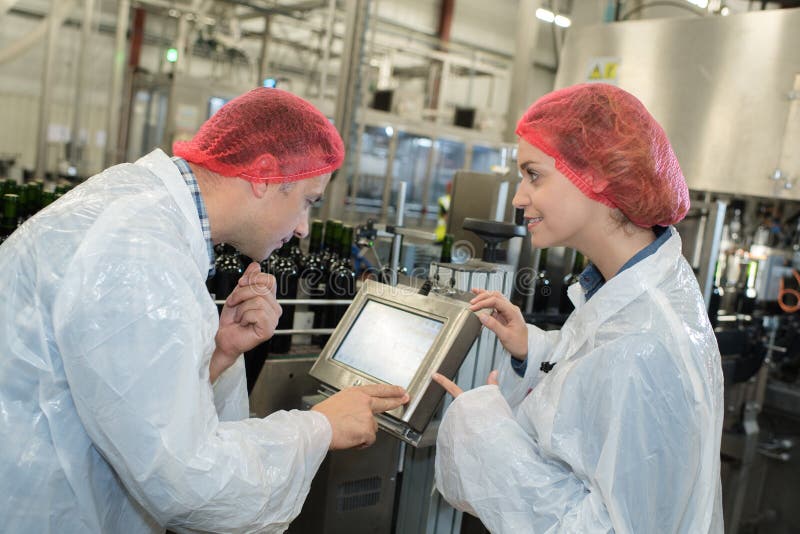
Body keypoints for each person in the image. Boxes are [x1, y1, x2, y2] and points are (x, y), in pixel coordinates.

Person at [0, 88, 408, 533]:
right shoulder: (140, 252)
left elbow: (116, 394)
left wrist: (216, 354)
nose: (302, 229)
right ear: (265, 176)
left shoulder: (146, 211)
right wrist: (320, 429)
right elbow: (184, 480)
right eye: (308, 201)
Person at [431, 83, 723, 533]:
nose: (517, 197)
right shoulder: (628, 291)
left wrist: (485, 434)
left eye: (534, 174)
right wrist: (536, 349)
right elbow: (596, 384)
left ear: (598, 174)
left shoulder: (642, 344)